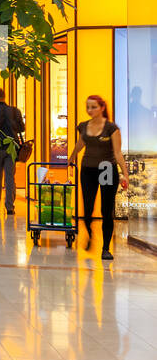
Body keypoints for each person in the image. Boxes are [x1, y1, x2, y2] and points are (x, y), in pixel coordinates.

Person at [69, 95, 129, 260]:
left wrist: (125, 173)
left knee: (105, 209)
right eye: (88, 107)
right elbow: (80, 144)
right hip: (87, 169)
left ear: (102, 108)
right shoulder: (83, 126)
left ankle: (106, 248)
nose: (90, 110)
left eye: (93, 107)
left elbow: (117, 153)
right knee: (87, 209)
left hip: (106, 169)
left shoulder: (111, 128)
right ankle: (89, 234)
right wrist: (72, 157)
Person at [0, 87, 26, 215]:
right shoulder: (14, 111)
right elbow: (22, 128)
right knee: (10, 177)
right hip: (12, 147)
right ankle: (10, 206)